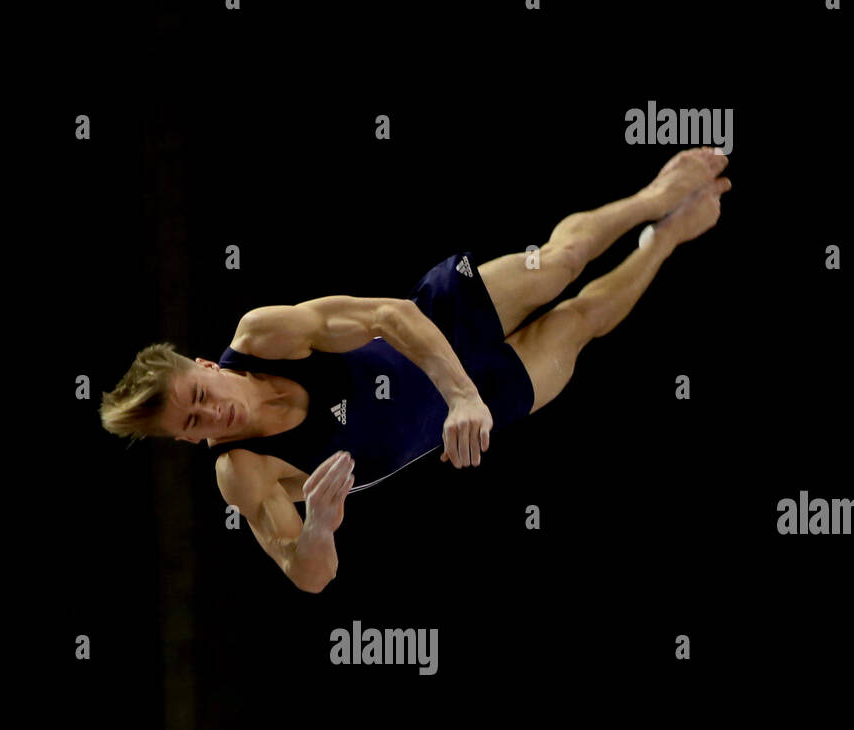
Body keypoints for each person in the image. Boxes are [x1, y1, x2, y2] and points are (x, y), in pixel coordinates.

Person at [101, 149, 730, 592]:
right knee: (580, 321)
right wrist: (318, 529)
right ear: (186, 440)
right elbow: (309, 575)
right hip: (472, 406)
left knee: (561, 263)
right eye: (193, 420)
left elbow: (389, 312)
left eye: (201, 394)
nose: (213, 412)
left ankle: (651, 198)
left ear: (207, 365)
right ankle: (665, 240)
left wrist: (459, 394)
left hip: (445, 325)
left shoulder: (264, 334)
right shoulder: (244, 471)